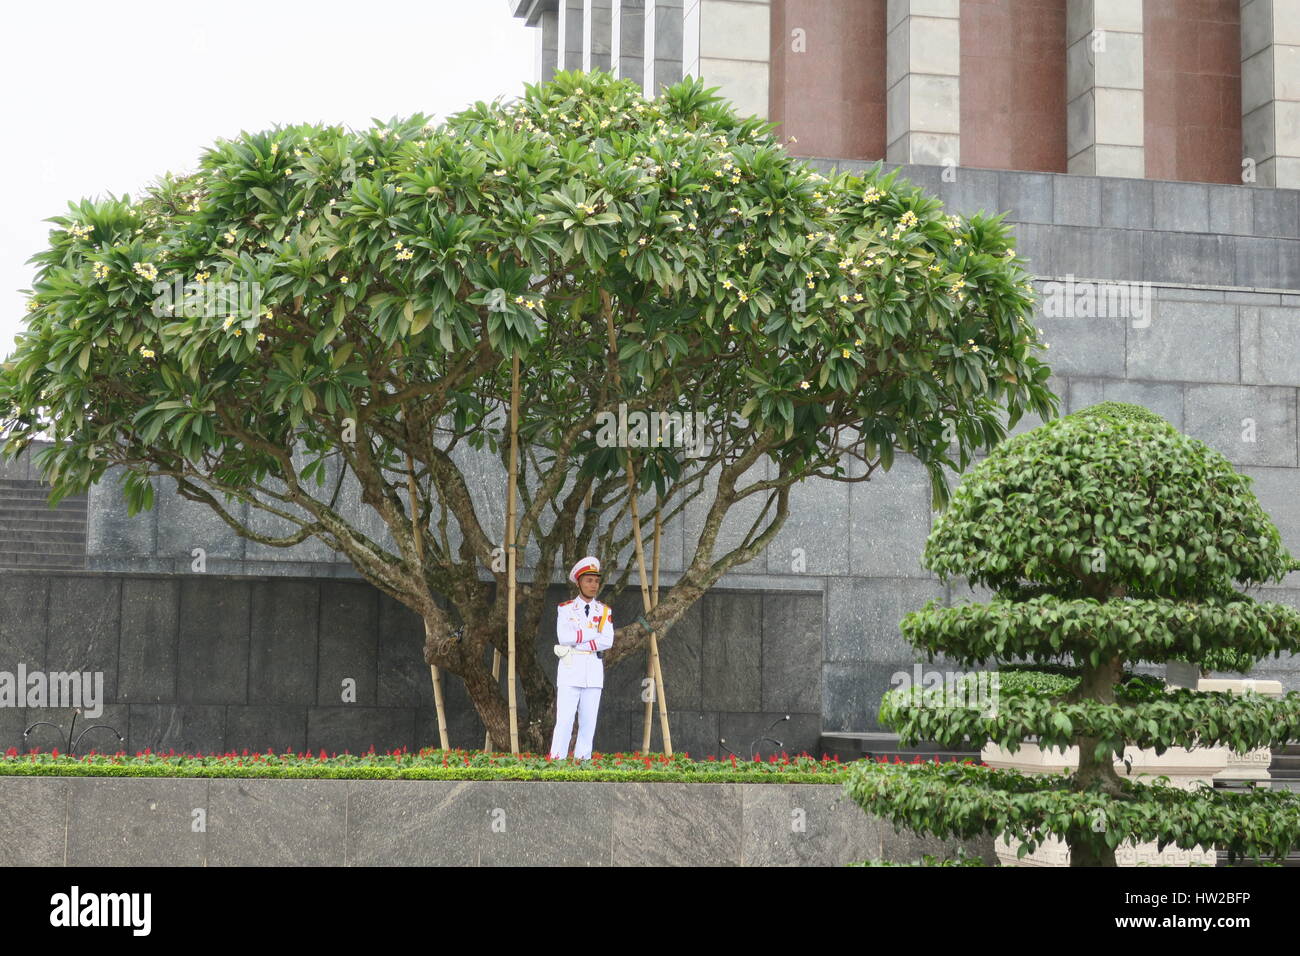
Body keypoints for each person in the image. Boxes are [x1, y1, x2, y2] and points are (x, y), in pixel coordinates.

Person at [548, 556, 614, 761]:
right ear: (579, 583)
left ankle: (582, 760)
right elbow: (564, 637)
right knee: (565, 719)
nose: (593, 585)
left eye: (596, 581)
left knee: (589, 721)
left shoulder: (604, 610)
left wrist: (580, 640)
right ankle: (557, 760)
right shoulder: (566, 608)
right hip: (570, 669)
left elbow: (608, 640)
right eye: (588, 580)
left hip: (593, 671)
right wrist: (593, 634)